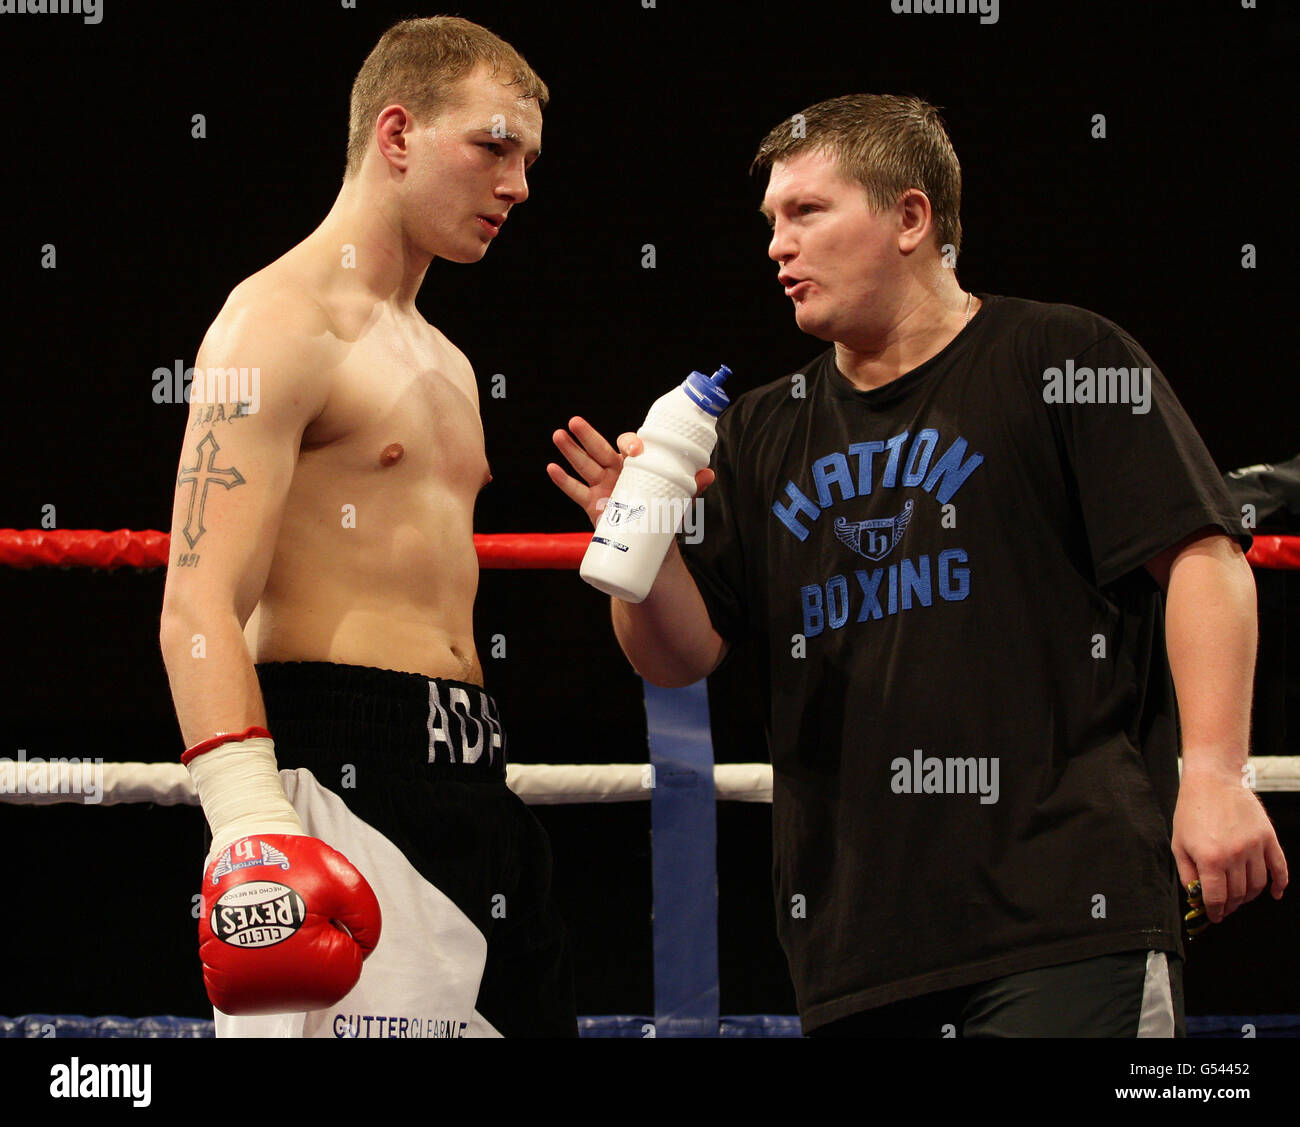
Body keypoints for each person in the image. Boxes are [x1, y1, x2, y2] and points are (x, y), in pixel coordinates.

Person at [549, 94, 1288, 1037]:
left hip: (1065, 911)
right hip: (856, 945)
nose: (777, 245)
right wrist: (639, 547)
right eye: (771, 221)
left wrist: (1218, 775)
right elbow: (680, 656)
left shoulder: (1061, 355)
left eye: (807, 212)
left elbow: (1203, 554)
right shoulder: (763, 427)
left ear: (910, 218)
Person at [160, 15, 577, 1039]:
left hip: (474, 773)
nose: (516, 183)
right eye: (491, 145)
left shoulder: (444, 361)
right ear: (396, 136)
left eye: (527, 156)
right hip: (337, 772)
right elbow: (197, 601)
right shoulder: (279, 321)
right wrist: (250, 822)